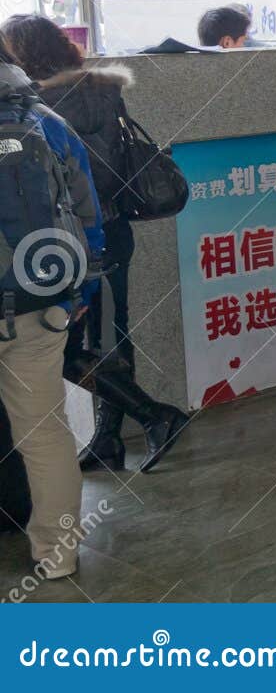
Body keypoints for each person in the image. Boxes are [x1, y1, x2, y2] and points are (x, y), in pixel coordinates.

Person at [0, 16, 186, 473]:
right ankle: (109, 440)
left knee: (63, 348)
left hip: (70, 243)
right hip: (112, 230)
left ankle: (157, 416)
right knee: (109, 335)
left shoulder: (33, 108)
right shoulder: (103, 89)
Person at [0, 41, 102, 579]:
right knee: (43, 431)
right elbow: (86, 212)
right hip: (39, 304)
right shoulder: (44, 119)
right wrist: (79, 289)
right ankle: (57, 555)